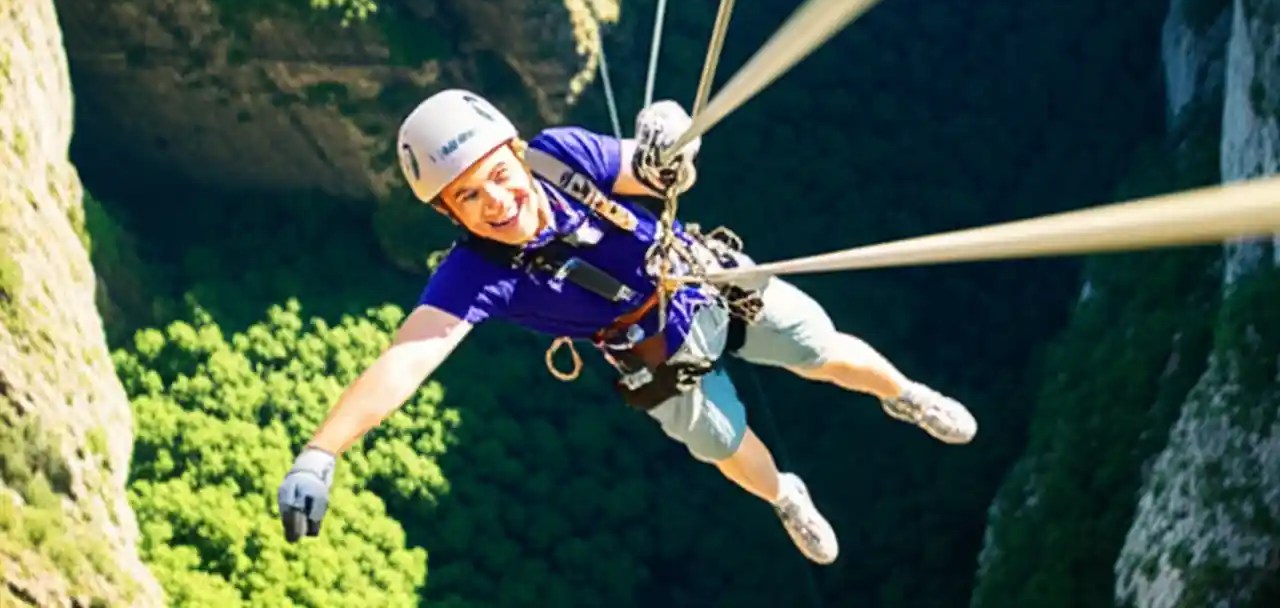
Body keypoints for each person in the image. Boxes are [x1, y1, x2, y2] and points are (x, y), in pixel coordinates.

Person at [276, 88, 977, 565]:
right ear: (449, 214)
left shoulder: (561, 157)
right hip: (647, 349)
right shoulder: (471, 275)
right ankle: (785, 494)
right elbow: (406, 359)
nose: (496, 199)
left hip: (703, 279)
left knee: (818, 349)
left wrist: (671, 136)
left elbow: (660, 176)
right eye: (468, 196)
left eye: (497, 174)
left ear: (516, 153)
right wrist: (321, 452)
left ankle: (903, 394)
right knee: (722, 441)